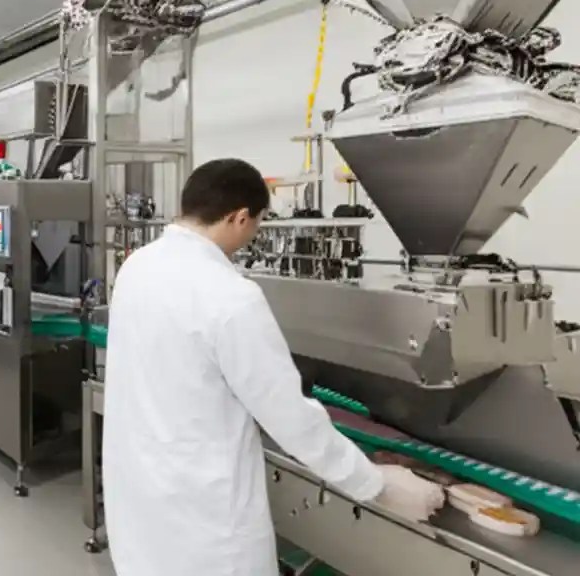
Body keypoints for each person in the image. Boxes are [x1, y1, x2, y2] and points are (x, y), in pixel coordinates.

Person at [103, 158, 426, 575]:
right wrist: (374, 483)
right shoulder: (231, 297)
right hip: (207, 530)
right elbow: (289, 417)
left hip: (142, 507)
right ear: (240, 217)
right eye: (256, 223)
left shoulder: (137, 266)